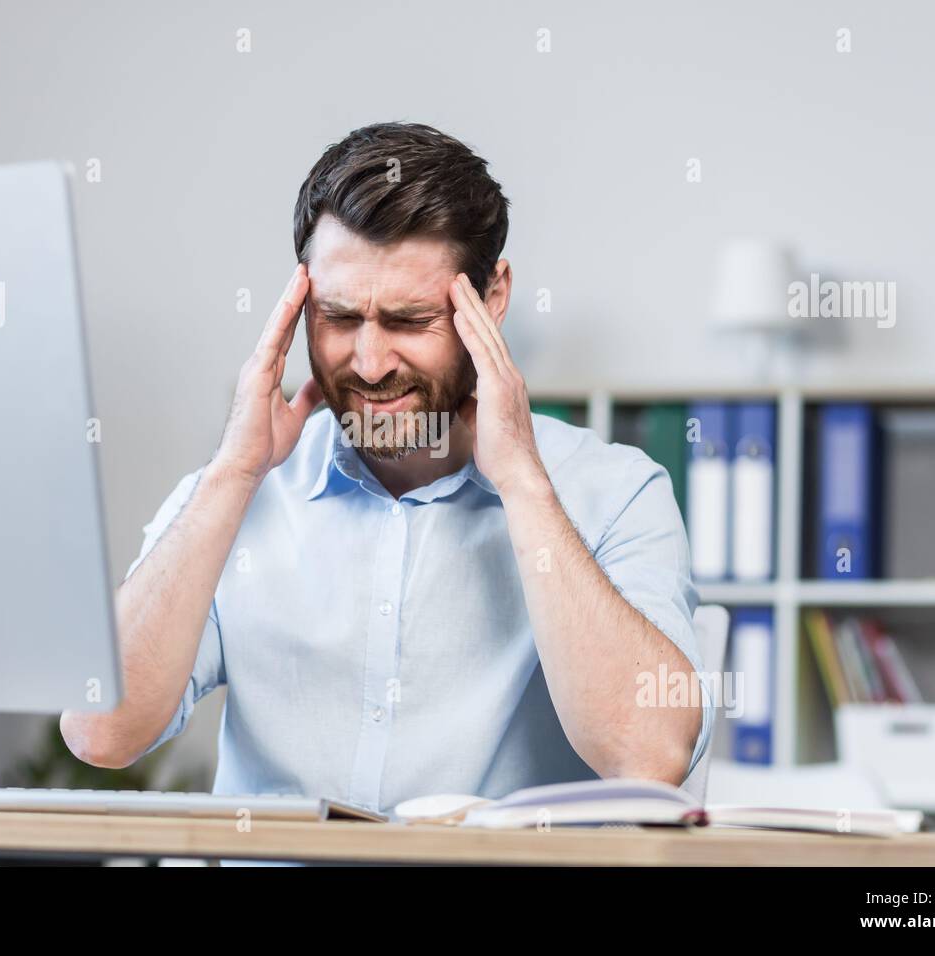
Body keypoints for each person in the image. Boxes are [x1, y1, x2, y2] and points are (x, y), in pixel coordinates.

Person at [61, 122, 710, 816]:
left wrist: (521, 482)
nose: (369, 365)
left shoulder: (613, 493)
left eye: (407, 320)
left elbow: (649, 752)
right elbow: (100, 730)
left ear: (491, 300)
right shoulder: (238, 493)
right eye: (338, 317)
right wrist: (231, 476)